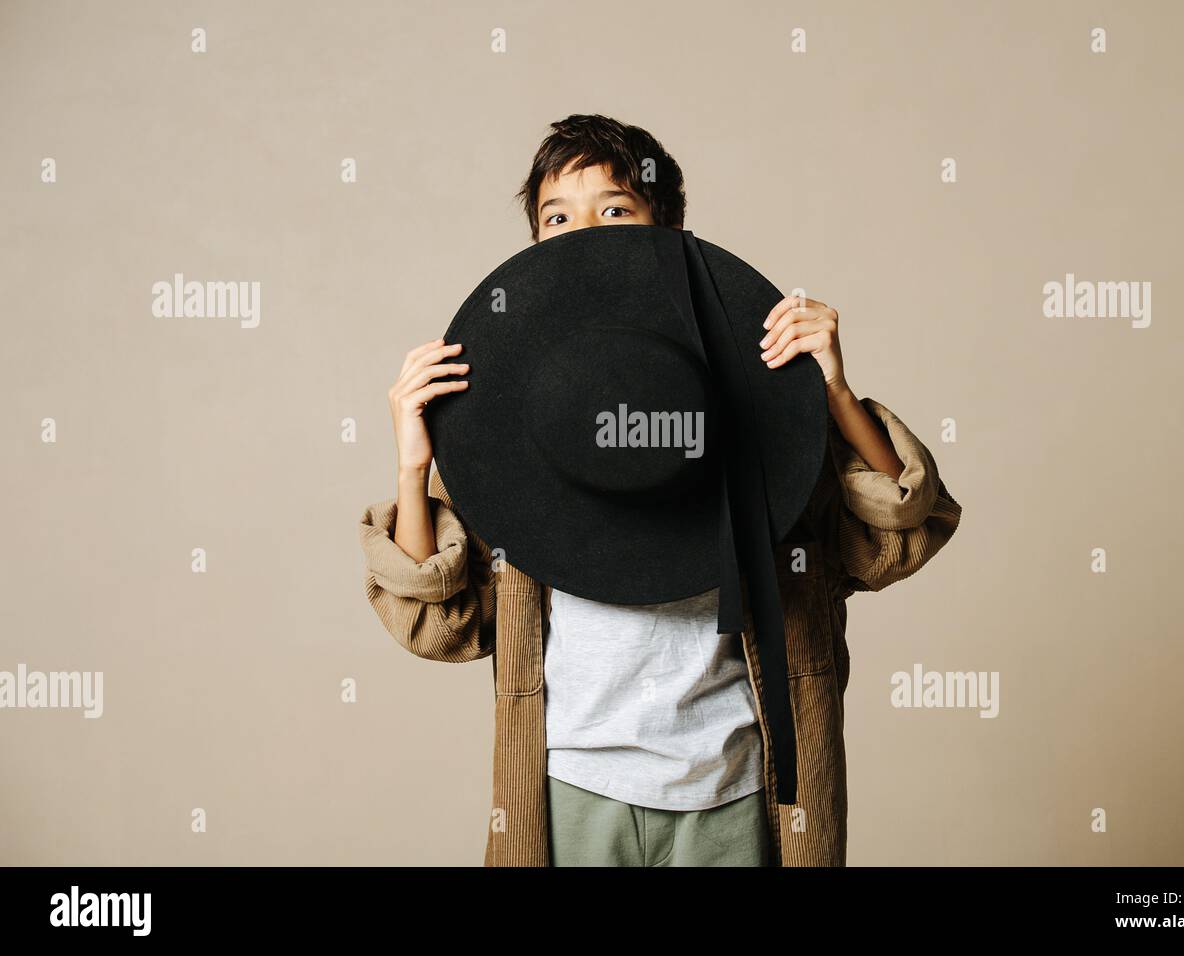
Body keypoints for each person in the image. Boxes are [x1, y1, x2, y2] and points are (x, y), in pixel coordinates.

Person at [359, 113, 962, 866]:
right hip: (571, 787)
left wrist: (832, 393)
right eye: (558, 216)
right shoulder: (515, 416)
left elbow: (891, 543)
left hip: (738, 783)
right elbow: (447, 625)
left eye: (615, 209)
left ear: (666, 225)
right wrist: (414, 466)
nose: (588, 232)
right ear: (536, 247)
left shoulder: (757, 389)